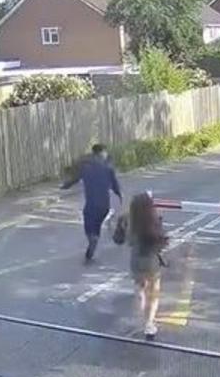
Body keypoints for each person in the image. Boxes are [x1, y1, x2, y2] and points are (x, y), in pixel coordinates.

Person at [61, 143, 122, 261]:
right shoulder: (108, 168)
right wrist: (120, 196)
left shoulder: (85, 167)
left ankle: (92, 238)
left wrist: (65, 186)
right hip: (105, 206)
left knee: (89, 222)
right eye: (105, 153)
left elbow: (74, 179)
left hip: (91, 205)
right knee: (97, 223)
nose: (106, 155)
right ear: (101, 153)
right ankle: (95, 237)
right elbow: (116, 186)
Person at [128, 191, 168, 339]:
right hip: (151, 262)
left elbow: (119, 238)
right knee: (153, 293)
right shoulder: (153, 221)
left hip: (136, 261)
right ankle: (149, 324)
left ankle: (142, 317)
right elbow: (162, 242)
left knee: (141, 290)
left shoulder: (129, 220)